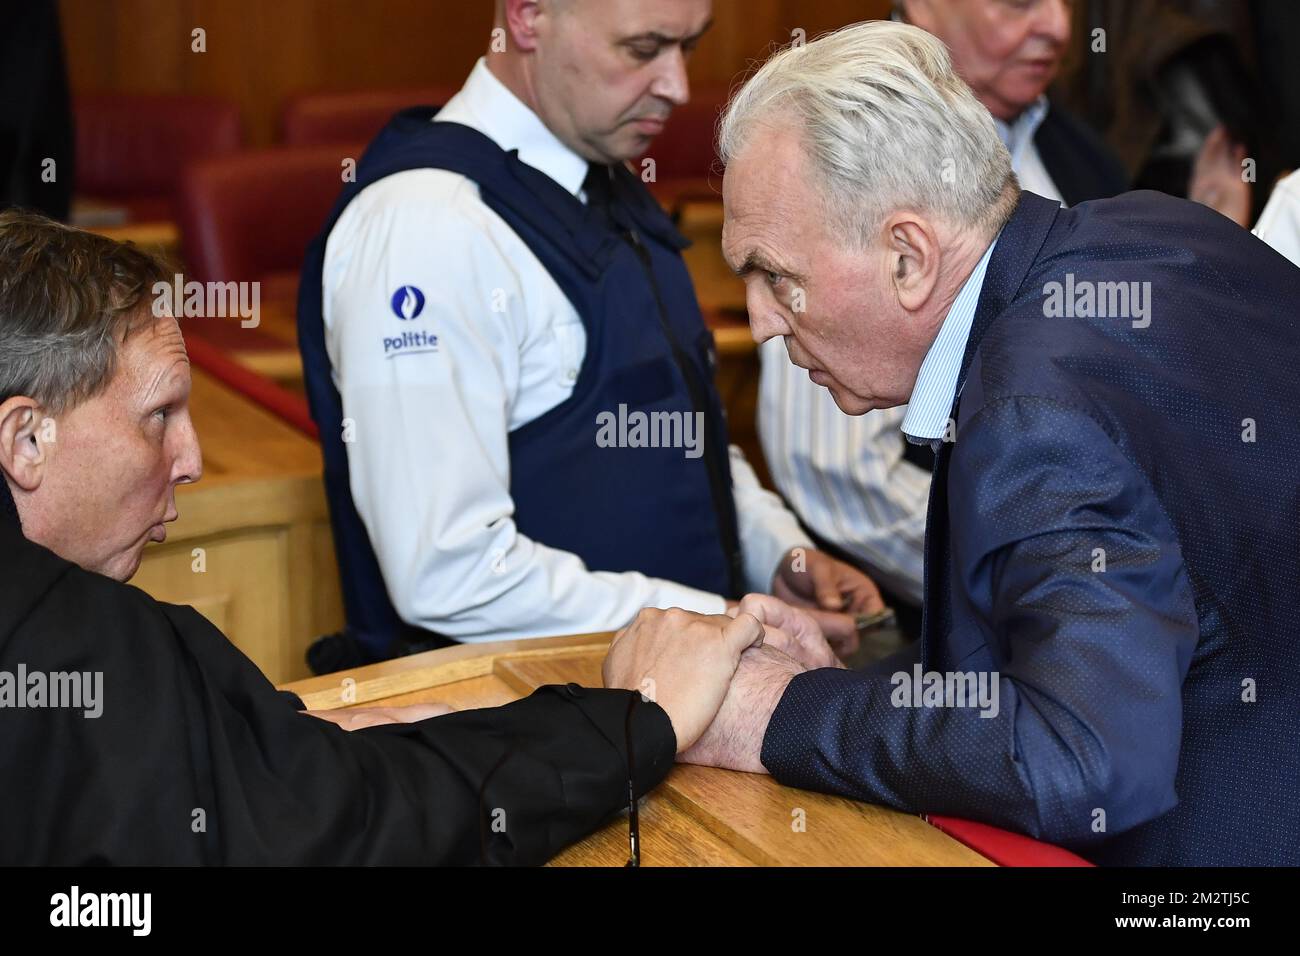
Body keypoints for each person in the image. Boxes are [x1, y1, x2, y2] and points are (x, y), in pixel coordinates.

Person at [605, 21, 1300, 866]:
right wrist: (839, 693)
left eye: (778, 276)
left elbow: (1082, 762)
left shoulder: (1035, 408)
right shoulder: (1158, 231)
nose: (759, 322)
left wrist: (780, 713)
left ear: (908, 256)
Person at [0, 209, 759, 865]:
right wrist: (627, 719)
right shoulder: (81, 645)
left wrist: (306, 740)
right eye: (159, 416)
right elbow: (342, 829)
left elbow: (275, 773)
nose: (192, 461)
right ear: (26, 440)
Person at [297, 0, 881, 668]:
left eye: (687, 48)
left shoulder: (600, 177)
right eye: (642, 49)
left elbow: (675, 422)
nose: (677, 87)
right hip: (507, 732)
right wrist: (717, 620)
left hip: (655, 706)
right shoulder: (427, 228)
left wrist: (774, 550)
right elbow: (447, 573)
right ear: (526, 17)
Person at [758, 0, 1129, 621]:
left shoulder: (1079, 151)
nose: (1061, 27)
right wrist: (1029, 577)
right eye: (1020, 2)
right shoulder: (838, 131)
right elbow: (841, 470)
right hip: (920, 629)